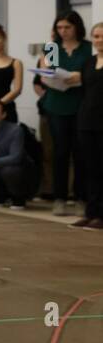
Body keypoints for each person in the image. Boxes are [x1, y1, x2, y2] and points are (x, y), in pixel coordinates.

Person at [37, 11, 89, 215]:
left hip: (81, 106)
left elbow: (91, 72)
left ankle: (80, 198)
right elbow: (47, 75)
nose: (63, 31)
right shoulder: (52, 48)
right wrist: (51, 74)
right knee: (59, 152)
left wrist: (80, 76)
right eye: (59, 28)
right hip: (56, 105)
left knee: (81, 154)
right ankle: (59, 197)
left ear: (76, 27)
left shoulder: (87, 47)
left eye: (67, 27)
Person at [66, 21, 103, 229]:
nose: (99, 40)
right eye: (96, 36)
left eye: (102, 36)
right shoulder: (87, 61)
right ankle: (91, 212)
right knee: (89, 168)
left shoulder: (80, 51)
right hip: (85, 119)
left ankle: (101, 214)